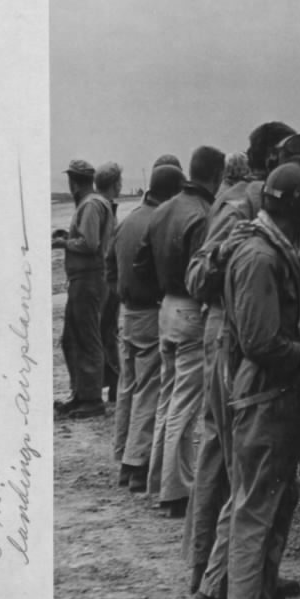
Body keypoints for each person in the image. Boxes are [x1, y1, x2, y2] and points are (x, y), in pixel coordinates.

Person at [212, 161, 300, 599]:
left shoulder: (268, 248)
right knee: (254, 514)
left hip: (271, 398)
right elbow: (261, 342)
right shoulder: (260, 257)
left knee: (271, 506)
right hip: (265, 399)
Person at [147, 145, 226, 516]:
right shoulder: (202, 213)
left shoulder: (163, 209)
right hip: (190, 308)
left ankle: (157, 479)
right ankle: (175, 490)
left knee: (168, 397)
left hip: (164, 306)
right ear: (217, 174)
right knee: (185, 403)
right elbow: (202, 276)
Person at [110, 160, 184, 492]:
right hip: (149, 312)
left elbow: (109, 266)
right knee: (150, 389)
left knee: (128, 387)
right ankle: (137, 463)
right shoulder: (157, 221)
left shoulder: (128, 221)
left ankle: (123, 456)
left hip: (127, 311)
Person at [53, 158, 116, 418]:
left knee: (86, 338)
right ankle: (81, 395)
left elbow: (90, 244)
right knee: (73, 337)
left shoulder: (90, 205)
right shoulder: (96, 203)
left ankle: (90, 400)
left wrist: (63, 243)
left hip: (88, 279)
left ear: (73, 182)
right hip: (86, 279)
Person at [94, 163, 125, 404]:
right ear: (116, 185)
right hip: (110, 278)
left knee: (105, 332)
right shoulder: (108, 209)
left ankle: (113, 384)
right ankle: (114, 385)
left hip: (104, 279)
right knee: (108, 332)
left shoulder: (100, 207)